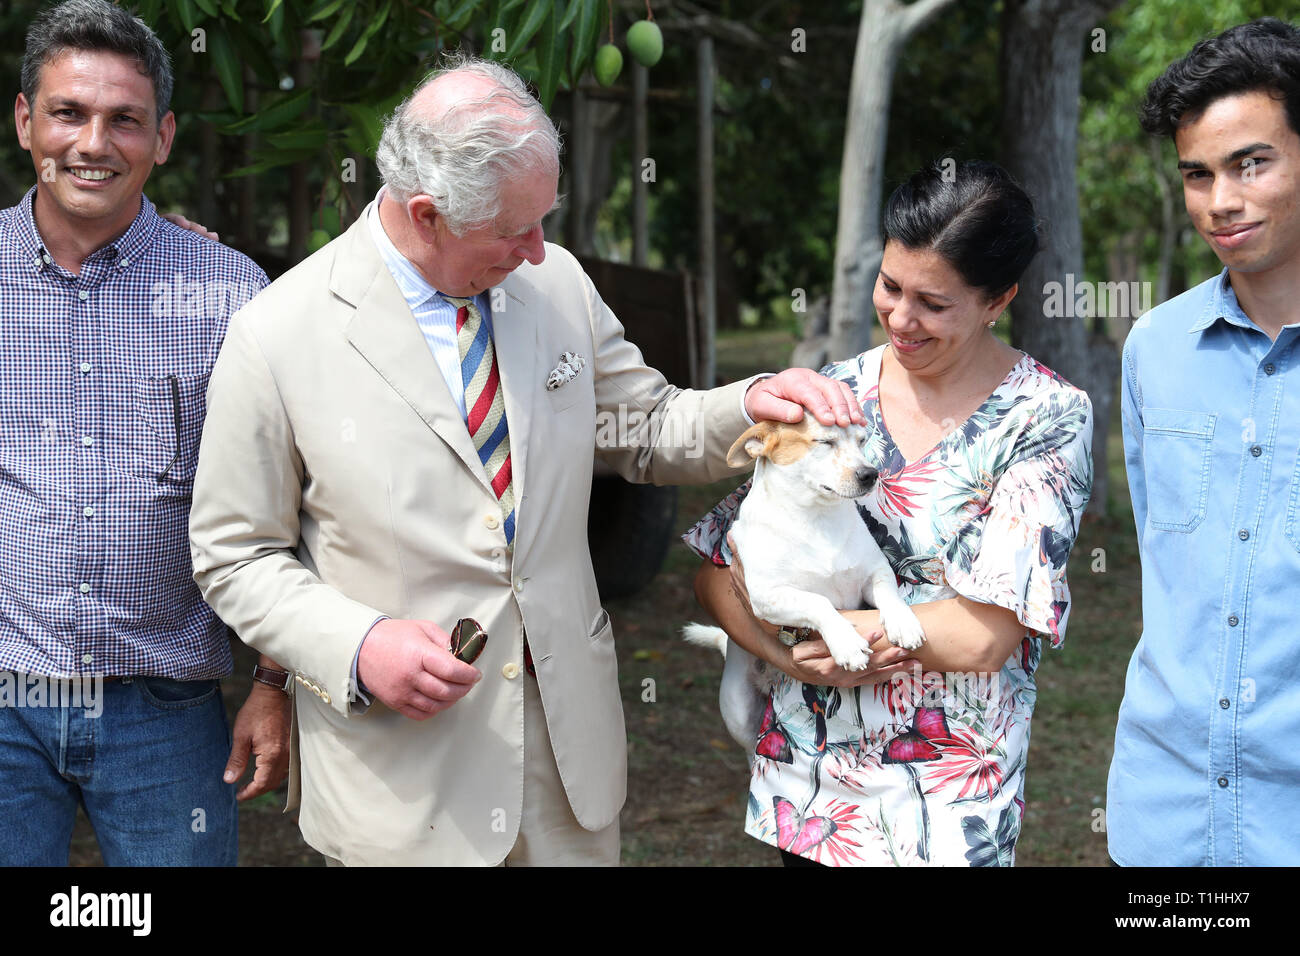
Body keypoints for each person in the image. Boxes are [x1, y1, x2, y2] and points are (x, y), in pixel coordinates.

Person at [186, 54, 860, 867]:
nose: (540, 250)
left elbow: (644, 426)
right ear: (427, 214)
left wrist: (749, 402)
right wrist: (357, 644)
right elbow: (234, 553)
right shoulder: (277, 332)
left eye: (546, 220)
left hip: (565, 763)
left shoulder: (558, 286)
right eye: (515, 230)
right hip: (403, 782)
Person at [688, 160, 1094, 866]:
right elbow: (718, 577)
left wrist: (839, 628)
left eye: (934, 303)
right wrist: (792, 655)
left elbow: (982, 638)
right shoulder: (829, 397)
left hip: (944, 806)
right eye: (891, 286)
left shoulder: (1046, 416)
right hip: (811, 797)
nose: (902, 318)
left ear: (998, 299)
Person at [0, 0, 290, 866]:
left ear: (161, 138)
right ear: (25, 122)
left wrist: (273, 684)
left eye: (123, 120)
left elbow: (286, 500)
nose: (93, 143)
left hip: (166, 709)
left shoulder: (231, 291)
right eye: (67, 113)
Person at [1106, 18, 1300, 867]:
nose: (1219, 200)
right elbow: (1163, 556)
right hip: (1164, 811)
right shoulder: (1154, 347)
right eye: (1197, 174)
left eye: (1250, 163)